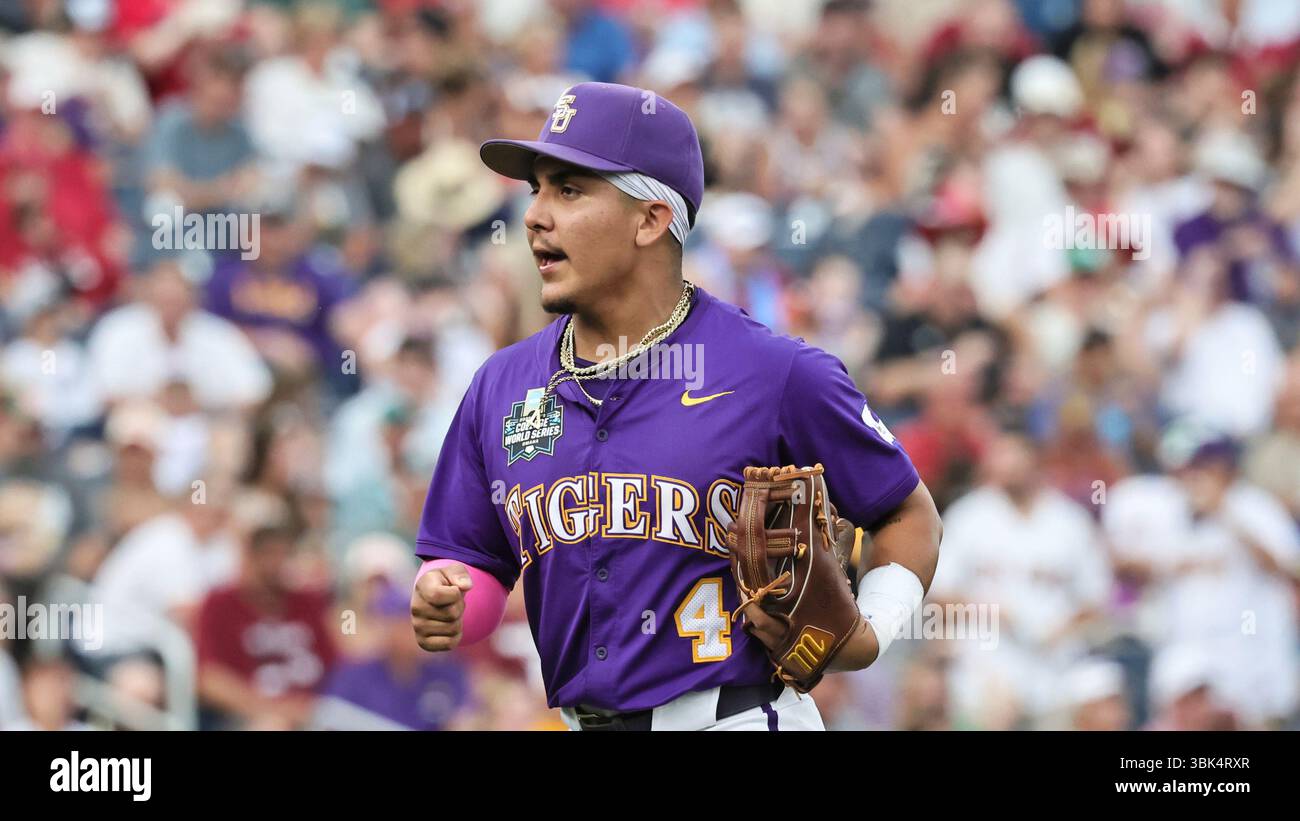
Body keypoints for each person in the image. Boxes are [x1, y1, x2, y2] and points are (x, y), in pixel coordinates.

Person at [409, 82, 942, 731]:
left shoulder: (775, 373)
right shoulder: (501, 384)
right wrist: (451, 597)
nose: (535, 215)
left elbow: (907, 512)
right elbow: (475, 563)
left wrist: (872, 632)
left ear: (651, 218)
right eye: (536, 190)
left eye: (569, 189)